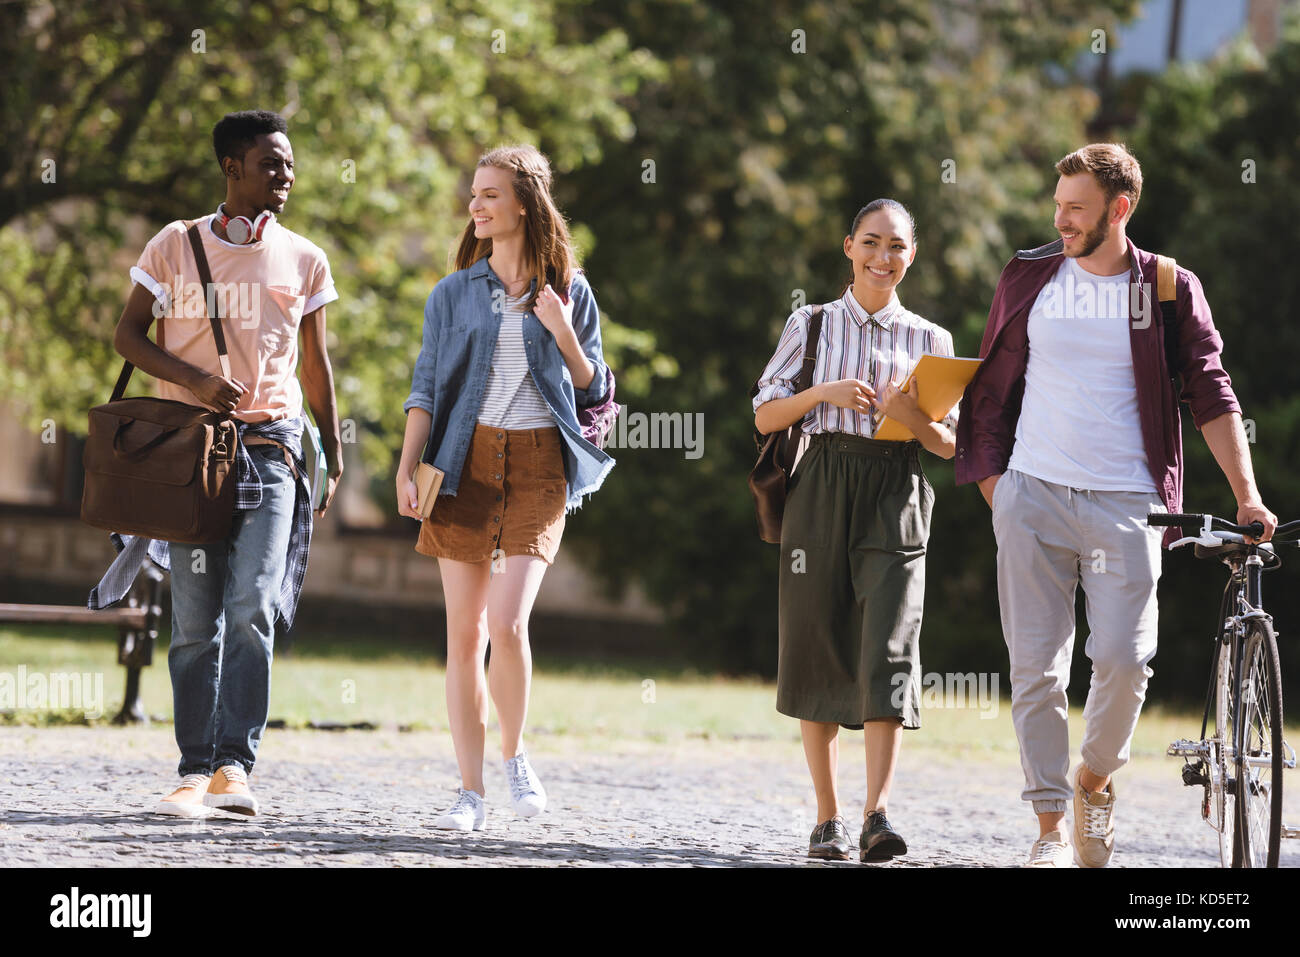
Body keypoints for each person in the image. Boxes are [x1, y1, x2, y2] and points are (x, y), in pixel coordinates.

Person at [956, 143, 1276, 867]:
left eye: (1076, 208)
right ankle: (1048, 829)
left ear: (1118, 208)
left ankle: (1092, 782)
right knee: (1035, 666)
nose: (1060, 219)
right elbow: (988, 388)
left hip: (1129, 503)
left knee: (1126, 660)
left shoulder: (1165, 286)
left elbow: (1212, 391)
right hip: (1030, 493)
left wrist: (1247, 493)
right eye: (1058, 203)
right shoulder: (1030, 274)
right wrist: (997, 488)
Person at [98, 109, 343, 817]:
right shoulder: (175, 246)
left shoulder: (305, 257)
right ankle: (191, 769)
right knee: (196, 618)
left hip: (271, 451)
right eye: (272, 163)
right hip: (191, 458)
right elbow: (126, 335)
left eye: (290, 163)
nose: (287, 175)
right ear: (232, 167)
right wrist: (197, 381)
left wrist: (330, 454)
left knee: (252, 605)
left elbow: (317, 368)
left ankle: (234, 765)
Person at [397, 144, 615, 831]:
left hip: (540, 466)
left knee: (508, 621)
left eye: (489, 193)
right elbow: (426, 388)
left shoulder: (571, 290)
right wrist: (408, 466)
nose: (476, 205)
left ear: (523, 203)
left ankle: (515, 755)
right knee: (464, 636)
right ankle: (470, 791)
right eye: (473, 194)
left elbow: (597, 389)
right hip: (463, 463)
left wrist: (563, 333)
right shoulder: (452, 292)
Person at [753, 199, 958, 862]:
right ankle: (828, 818)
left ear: (912, 255)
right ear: (848, 247)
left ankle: (878, 814)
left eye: (896, 245)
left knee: (890, 645)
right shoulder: (809, 323)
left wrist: (909, 414)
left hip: (897, 490)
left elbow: (952, 446)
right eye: (870, 242)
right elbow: (764, 414)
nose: (882, 257)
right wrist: (824, 394)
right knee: (817, 639)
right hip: (821, 487)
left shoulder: (933, 339)